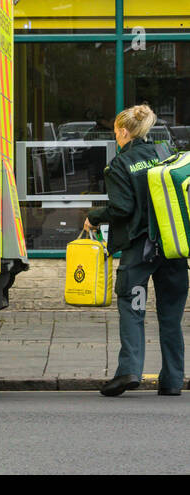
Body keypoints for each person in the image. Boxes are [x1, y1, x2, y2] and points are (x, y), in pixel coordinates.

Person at [83, 104, 189, 397]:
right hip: (172, 247)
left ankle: (129, 370)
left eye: (116, 130)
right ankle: (172, 381)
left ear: (123, 131)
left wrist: (95, 215)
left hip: (139, 251)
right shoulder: (165, 152)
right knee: (170, 317)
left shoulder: (120, 165)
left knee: (133, 310)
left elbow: (122, 208)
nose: (115, 135)